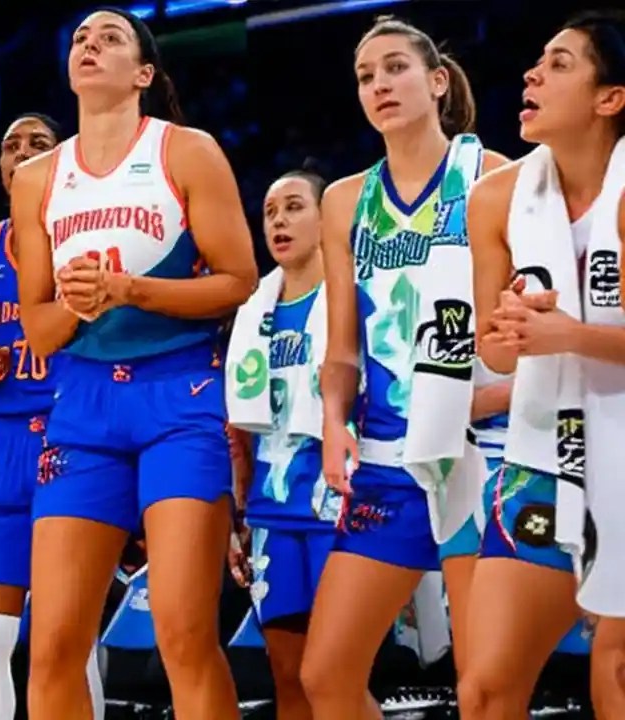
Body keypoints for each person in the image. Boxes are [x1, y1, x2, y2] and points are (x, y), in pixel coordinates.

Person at [10, 8, 258, 719]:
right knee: (55, 644)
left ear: (144, 74)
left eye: (111, 37)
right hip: (83, 404)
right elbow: (39, 328)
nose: (90, 44)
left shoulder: (186, 151)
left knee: (181, 634)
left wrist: (129, 290)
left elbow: (238, 281)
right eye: (81, 37)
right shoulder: (36, 179)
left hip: (179, 395)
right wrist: (80, 306)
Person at [298, 17, 508, 719]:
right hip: (387, 459)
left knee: (484, 692)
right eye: (365, 76)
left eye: (395, 68)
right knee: (324, 678)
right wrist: (333, 422)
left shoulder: (496, 178)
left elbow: (541, 338)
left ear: (438, 81)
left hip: (481, 456)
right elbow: (342, 349)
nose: (379, 84)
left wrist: (479, 402)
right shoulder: (344, 201)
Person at [462, 12, 625, 719]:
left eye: (559, 64)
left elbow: (567, 338)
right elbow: (493, 349)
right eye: (535, 61)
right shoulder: (494, 197)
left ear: (609, 97)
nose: (532, 74)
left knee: (616, 669)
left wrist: (569, 334)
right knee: (485, 688)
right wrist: (512, 331)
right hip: (540, 455)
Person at [0, 112, 105, 720]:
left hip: (70, 436)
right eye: (10, 144)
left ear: (61, 158)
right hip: (1, 443)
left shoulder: (92, 235)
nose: (21, 152)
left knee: (70, 642)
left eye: (38, 143)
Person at [226, 168, 331, 720]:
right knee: (288, 675)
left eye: (294, 207)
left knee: (335, 672)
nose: (280, 221)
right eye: (270, 212)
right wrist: (236, 514)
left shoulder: (356, 299)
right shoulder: (250, 313)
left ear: (326, 218)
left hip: (340, 502)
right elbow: (237, 433)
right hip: (270, 510)